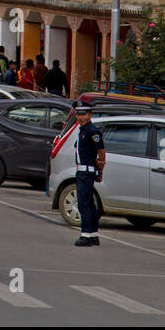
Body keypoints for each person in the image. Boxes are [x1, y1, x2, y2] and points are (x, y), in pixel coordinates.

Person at [72, 105, 105, 246]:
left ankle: (85, 235)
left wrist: (101, 170)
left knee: (83, 203)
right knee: (89, 203)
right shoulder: (83, 130)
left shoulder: (92, 131)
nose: (80, 117)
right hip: (83, 171)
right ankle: (93, 234)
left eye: (83, 114)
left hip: (86, 172)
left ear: (90, 115)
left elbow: (101, 152)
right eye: (78, 115)